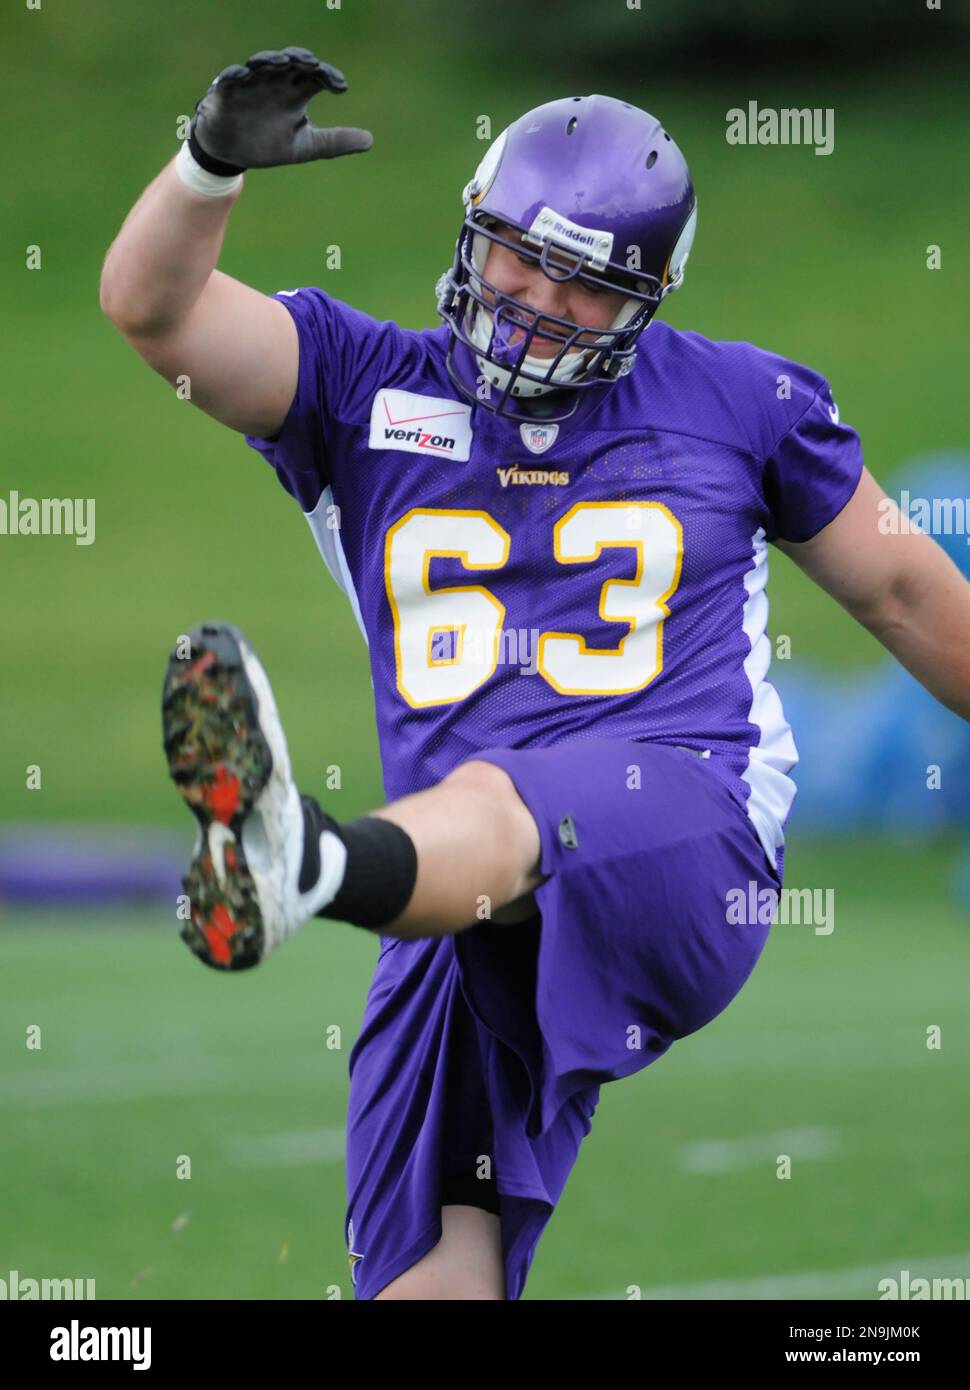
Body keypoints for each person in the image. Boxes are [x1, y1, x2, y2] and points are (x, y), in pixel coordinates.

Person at [100, 47, 970, 1301]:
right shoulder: (362, 382)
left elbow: (905, 594)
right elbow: (156, 314)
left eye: (585, 282)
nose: (534, 296)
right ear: (472, 227)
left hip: (682, 832)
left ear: (654, 293)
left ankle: (303, 864)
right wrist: (207, 163)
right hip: (450, 895)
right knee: (430, 1273)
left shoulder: (740, 402)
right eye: (517, 252)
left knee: (519, 793)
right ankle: (325, 865)